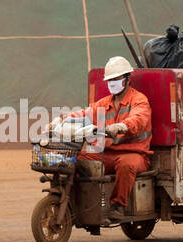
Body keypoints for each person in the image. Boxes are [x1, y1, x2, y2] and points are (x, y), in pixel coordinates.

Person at [55, 56, 151, 222]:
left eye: (116, 79)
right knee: (75, 159)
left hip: (135, 154)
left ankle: (118, 206)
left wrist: (121, 126)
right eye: (110, 80)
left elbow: (139, 119)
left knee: (126, 164)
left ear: (127, 78)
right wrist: (60, 120)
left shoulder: (139, 100)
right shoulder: (103, 103)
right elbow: (83, 114)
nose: (112, 83)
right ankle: (71, 201)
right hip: (106, 154)